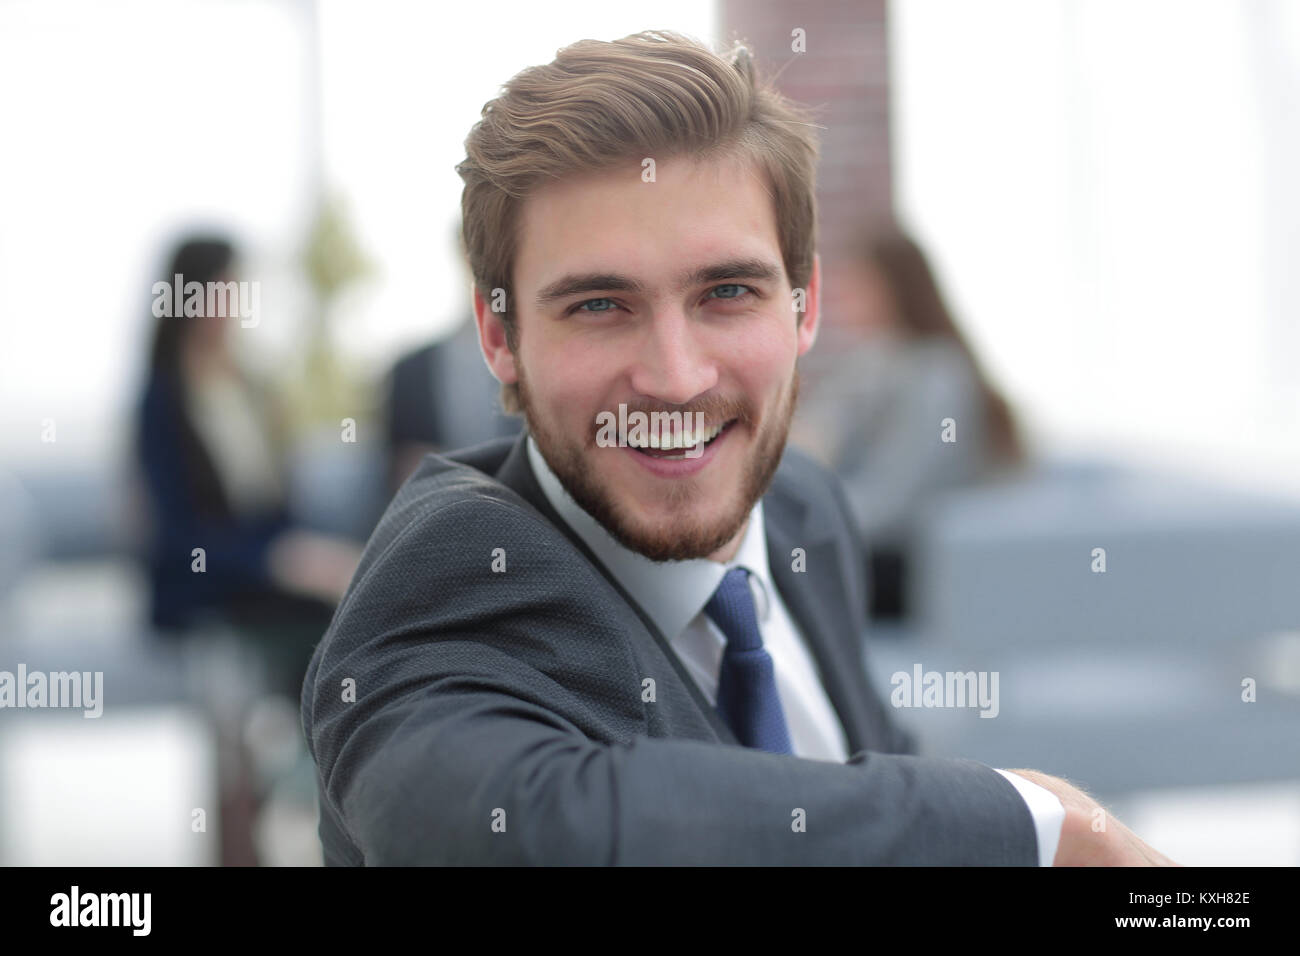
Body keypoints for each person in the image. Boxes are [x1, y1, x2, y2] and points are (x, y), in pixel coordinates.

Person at [300, 31, 1175, 866]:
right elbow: (520, 836)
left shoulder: (800, 509)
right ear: (499, 336)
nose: (676, 379)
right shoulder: (455, 572)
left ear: (806, 304)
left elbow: (872, 800)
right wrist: (1037, 824)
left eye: (726, 291)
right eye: (600, 305)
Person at [135, 236, 359, 699]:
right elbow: (178, 537)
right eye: (221, 288)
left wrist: (305, 556)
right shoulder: (162, 402)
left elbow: (280, 508)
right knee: (319, 614)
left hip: (266, 568)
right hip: (204, 578)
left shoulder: (255, 388)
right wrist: (273, 561)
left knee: (355, 580)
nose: (232, 302)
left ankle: (323, 747)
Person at [791, 226, 1026, 621]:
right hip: (874, 545)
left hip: (908, 561)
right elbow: (812, 441)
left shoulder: (937, 375)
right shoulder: (875, 364)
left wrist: (807, 523)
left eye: (859, 286)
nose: (843, 300)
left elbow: (895, 498)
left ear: (895, 288)